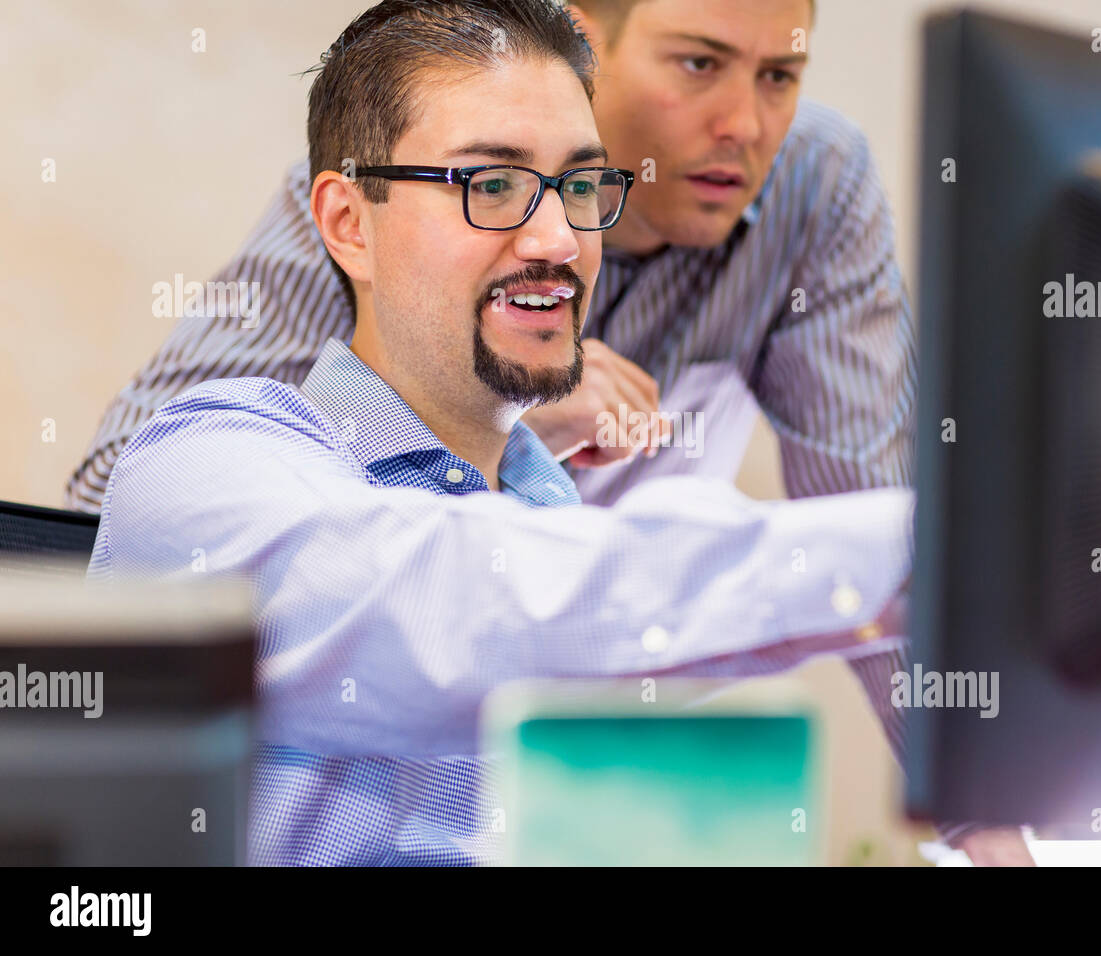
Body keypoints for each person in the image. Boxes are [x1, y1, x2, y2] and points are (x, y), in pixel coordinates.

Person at [89, 0, 916, 866]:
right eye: (492, 186)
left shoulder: (552, 524)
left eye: (582, 187)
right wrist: (937, 550)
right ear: (345, 223)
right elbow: (457, 603)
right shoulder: (200, 470)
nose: (560, 239)